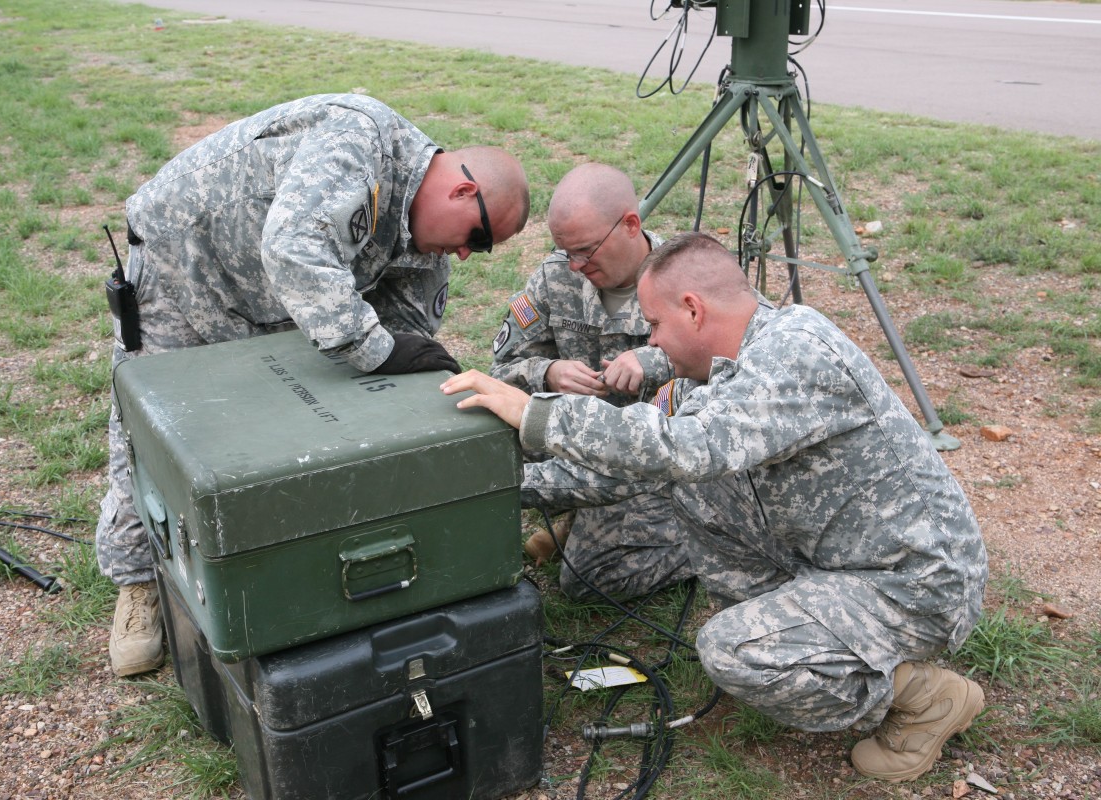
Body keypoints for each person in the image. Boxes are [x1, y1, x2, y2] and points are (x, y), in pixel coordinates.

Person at [441, 231, 988, 782]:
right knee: (690, 486)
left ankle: (922, 696)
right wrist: (502, 489)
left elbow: (686, 445)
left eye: (654, 326)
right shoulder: (744, 359)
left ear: (694, 310)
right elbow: (650, 463)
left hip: (915, 583)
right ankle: (802, 634)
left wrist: (538, 414)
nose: (652, 344)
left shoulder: (794, 354)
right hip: (836, 557)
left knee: (732, 651)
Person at [99, 93, 530, 678]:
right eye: (477, 238)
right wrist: (375, 348)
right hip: (188, 269)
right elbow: (295, 249)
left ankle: (268, 552)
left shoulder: (425, 247)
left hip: (274, 303)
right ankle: (137, 583)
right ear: (460, 191)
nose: (463, 253)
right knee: (156, 431)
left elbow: (405, 353)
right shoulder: (358, 138)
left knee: (276, 426)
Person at [489, 162, 687, 600]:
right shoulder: (556, 275)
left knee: (589, 579)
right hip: (577, 437)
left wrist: (655, 361)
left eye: (585, 251)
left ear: (630, 225)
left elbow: (733, 364)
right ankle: (582, 514)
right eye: (567, 251)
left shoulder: (688, 275)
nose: (575, 266)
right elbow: (500, 370)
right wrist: (548, 372)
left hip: (656, 461)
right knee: (482, 445)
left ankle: (706, 540)